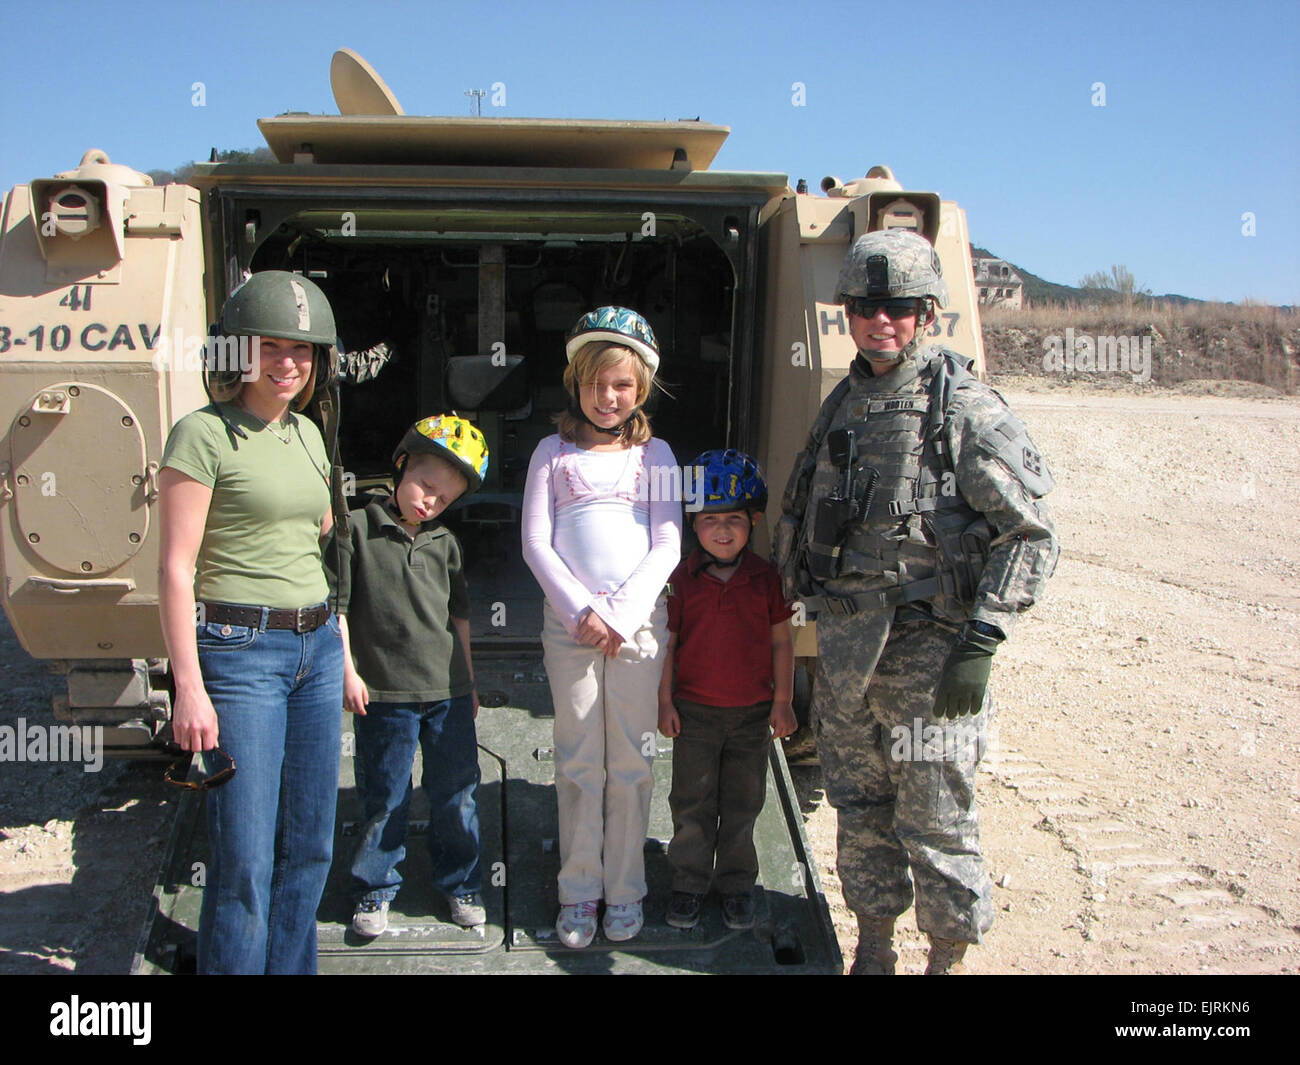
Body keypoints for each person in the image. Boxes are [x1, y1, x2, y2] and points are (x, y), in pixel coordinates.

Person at [773, 229, 1059, 975]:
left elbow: (1027, 533)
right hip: (846, 650)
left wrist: (985, 636)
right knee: (861, 812)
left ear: (928, 312)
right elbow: (804, 516)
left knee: (936, 818)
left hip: (928, 650)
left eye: (898, 306)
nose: (880, 320)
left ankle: (947, 959)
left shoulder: (961, 405)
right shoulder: (846, 398)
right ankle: (873, 947)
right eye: (865, 305)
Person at [158, 271, 344, 974]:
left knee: (310, 843)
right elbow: (175, 569)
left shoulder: (306, 433)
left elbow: (319, 532)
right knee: (243, 853)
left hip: (317, 646)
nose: (288, 364)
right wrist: (189, 686)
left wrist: (342, 647)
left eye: (302, 350)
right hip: (240, 652)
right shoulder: (202, 434)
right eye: (271, 346)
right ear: (239, 351)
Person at [521, 306, 682, 949]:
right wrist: (582, 612)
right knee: (580, 759)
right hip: (572, 631)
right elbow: (536, 541)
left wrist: (620, 614)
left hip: (638, 630)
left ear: (640, 388)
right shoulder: (551, 453)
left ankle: (626, 888)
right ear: (575, 384)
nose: (607, 397)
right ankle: (579, 889)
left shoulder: (658, 454)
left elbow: (668, 542)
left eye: (621, 385)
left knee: (634, 762)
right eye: (594, 384)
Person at [327, 415, 489, 938]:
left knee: (457, 790)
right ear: (401, 466)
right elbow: (339, 608)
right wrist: (347, 672)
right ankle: (374, 888)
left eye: (443, 499)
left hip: (447, 692)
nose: (428, 502)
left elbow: (458, 617)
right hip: (383, 694)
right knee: (385, 793)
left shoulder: (445, 544)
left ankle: (460, 881)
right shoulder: (354, 529)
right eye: (424, 485)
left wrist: (468, 679)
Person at [657, 449, 797, 932]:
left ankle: (736, 885)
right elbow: (668, 646)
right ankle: (688, 885)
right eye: (710, 520)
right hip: (694, 714)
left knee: (742, 804)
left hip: (751, 717)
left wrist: (782, 702)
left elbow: (783, 640)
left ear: (754, 521)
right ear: (692, 525)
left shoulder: (765, 578)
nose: (722, 531)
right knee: (691, 803)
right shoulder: (680, 579)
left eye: (734, 520)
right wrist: (664, 702)